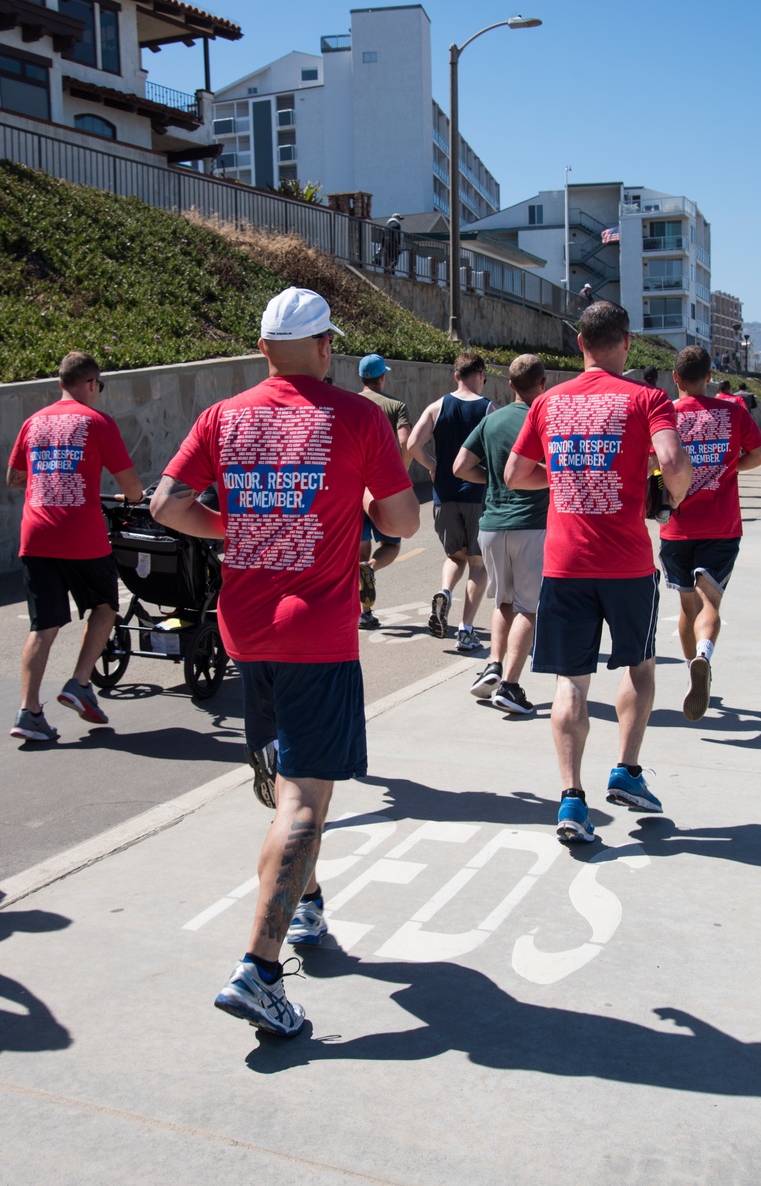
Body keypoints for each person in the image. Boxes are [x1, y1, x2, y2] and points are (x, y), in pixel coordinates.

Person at [150, 287, 418, 1038]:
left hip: (245, 631)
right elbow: (400, 521)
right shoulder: (359, 416)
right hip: (318, 634)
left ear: (263, 349)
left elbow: (168, 505)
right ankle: (259, 971)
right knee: (306, 796)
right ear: (327, 347)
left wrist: (234, 530)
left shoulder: (224, 416)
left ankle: (305, 904)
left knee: (287, 782)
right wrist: (357, 514)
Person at [505, 302, 691, 845]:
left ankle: (570, 799)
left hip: (565, 564)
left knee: (571, 683)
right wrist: (671, 499)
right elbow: (674, 464)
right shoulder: (648, 399)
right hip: (628, 564)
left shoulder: (548, 402)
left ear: (580, 344)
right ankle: (627, 771)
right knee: (638, 665)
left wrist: (565, 479)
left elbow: (517, 474)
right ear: (625, 344)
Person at [7, 352, 143, 742]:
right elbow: (131, 486)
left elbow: (15, 477)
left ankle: (28, 712)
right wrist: (130, 498)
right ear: (90, 384)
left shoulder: (33, 422)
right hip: (81, 537)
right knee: (105, 606)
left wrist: (49, 477)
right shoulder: (97, 422)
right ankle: (80, 683)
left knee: (42, 626)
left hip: (35, 538)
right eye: (98, 385)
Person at [659, 347, 761, 721]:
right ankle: (704, 655)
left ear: (675, 378)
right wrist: (728, 467)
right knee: (711, 604)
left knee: (686, 606)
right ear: (710, 377)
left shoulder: (667, 415)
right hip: (721, 526)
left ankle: (693, 665)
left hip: (676, 526)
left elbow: (649, 462)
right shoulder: (733, 411)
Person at [453, 355, 549, 715]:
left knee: (502, 602)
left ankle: (493, 664)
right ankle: (510, 685)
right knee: (529, 607)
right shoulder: (544, 419)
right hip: (531, 524)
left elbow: (460, 467)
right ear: (543, 384)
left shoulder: (491, 420)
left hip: (491, 525)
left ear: (509, 385)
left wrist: (492, 479)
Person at [407, 352, 494, 650]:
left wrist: (432, 465)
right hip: (478, 496)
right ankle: (466, 629)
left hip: (443, 495)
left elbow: (412, 444)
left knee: (454, 557)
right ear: (480, 374)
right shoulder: (489, 410)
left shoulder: (437, 406)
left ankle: (445, 591)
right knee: (477, 564)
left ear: (456, 375)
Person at [357, 354, 412, 630]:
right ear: (382, 377)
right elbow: (406, 442)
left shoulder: (349, 404)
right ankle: (372, 569)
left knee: (361, 550)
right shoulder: (395, 406)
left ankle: (364, 614)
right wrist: (399, 475)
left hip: (354, 488)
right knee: (390, 544)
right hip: (383, 489)